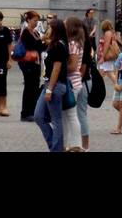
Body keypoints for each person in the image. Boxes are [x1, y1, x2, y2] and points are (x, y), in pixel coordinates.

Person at [33, 17, 70, 152]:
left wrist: (49, 90)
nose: (47, 29)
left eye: (49, 27)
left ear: (55, 29)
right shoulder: (53, 44)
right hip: (48, 83)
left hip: (54, 85)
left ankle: (56, 149)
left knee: (56, 120)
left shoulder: (59, 45)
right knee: (38, 116)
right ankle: (55, 146)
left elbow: (57, 68)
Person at [64, 16, 91, 151]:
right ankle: (73, 144)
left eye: (65, 24)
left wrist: (59, 67)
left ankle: (75, 145)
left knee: (71, 115)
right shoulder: (77, 42)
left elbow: (74, 66)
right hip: (76, 82)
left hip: (72, 82)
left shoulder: (73, 44)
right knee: (71, 115)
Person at [17, 10, 43, 122]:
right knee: (29, 87)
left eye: (37, 21)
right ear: (28, 20)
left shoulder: (36, 32)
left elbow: (41, 48)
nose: (36, 22)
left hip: (36, 63)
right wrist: (41, 41)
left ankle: (33, 111)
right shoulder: (26, 33)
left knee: (35, 87)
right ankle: (25, 112)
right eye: (34, 20)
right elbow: (31, 46)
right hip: (28, 63)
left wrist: (43, 42)